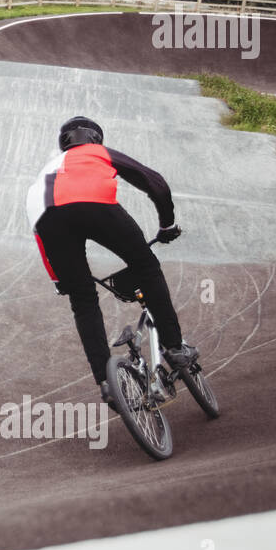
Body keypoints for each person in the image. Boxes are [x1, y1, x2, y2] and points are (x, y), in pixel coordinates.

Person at [26, 116, 198, 408]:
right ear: (94, 139)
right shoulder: (97, 152)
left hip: (48, 219)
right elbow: (153, 181)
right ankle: (174, 347)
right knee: (146, 266)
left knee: (82, 300)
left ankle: (107, 382)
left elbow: (39, 235)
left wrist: (59, 279)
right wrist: (167, 225)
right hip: (95, 206)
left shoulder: (42, 176)